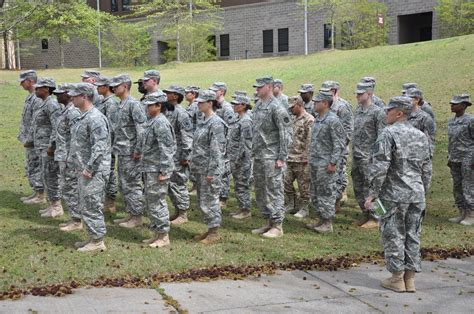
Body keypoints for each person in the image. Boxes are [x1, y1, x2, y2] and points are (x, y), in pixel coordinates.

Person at [365, 96, 431, 293]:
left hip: (393, 194)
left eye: (389, 110)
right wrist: (422, 190)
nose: (386, 113)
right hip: (417, 193)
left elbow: (380, 167)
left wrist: (372, 194)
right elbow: (427, 168)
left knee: (393, 234)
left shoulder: (388, 133)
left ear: (399, 113)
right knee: (413, 234)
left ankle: (396, 278)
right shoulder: (420, 136)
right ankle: (409, 279)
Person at [68, 83, 112, 252]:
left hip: (93, 171)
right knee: (86, 204)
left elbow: (100, 146)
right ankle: (92, 237)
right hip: (84, 169)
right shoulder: (84, 116)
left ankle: (98, 241)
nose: (72, 98)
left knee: (92, 205)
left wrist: (89, 168)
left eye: (75, 95)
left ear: (84, 97)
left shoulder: (95, 118)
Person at [251, 76, 291, 238]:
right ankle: (268, 221)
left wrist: (282, 157)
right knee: (261, 191)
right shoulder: (259, 106)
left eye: (259, 87)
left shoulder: (277, 107)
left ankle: (277, 225)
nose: (256, 90)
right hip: (259, 156)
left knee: (274, 190)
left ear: (269, 86)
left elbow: (286, 134)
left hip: (272, 157)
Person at [138, 92, 176, 248]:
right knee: (151, 201)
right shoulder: (153, 121)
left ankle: (164, 236)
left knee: (158, 202)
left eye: (150, 105)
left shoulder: (161, 122)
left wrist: (164, 172)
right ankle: (157, 234)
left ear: (159, 105)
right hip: (149, 168)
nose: (147, 108)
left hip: (157, 170)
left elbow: (167, 149)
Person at [189, 90, 228, 244]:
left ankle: (214, 232)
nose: (198, 104)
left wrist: (212, 172)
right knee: (203, 201)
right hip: (200, 168)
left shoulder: (216, 123)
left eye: (201, 102)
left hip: (209, 169)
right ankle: (210, 229)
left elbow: (217, 150)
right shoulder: (203, 121)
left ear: (210, 103)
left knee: (210, 200)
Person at [109, 74, 147, 228]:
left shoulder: (134, 105)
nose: (113, 88)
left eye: (116, 86)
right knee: (124, 184)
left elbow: (142, 130)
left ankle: (137, 217)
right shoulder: (121, 104)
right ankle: (130, 214)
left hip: (132, 153)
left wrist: (138, 150)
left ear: (125, 86)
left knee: (132, 185)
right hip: (122, 151)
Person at [308, 91, 345, 233]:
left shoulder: (333, 120)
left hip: (326, 163)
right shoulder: (318, 119)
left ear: (325, 103)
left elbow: (339, 144)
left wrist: (333, 162)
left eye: (317, 102)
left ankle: (327, 222)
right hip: (316, 162)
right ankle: (320, 219)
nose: (314, 104)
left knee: (326, 192)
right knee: (316, 192)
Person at [352, 82, 386, 228]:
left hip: (370, 158)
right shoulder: (358, 111)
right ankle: (365, 214)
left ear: (370, 94)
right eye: (357, 93)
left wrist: (376, 157)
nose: (358, 96)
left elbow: (382, 137)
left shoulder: (378, 113)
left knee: (372, 188)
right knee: (359, 187)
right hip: (357, 156)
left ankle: (377, 217)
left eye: (361, 93)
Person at [31, 77, 63, 217]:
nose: (36, 89)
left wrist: (52, 147)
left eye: (39, 88)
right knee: (46, 175)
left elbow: (57, 127)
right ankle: (52, 205)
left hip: (49, 149)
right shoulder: (44, 103)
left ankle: (57, 206)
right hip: (42, 146)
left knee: (52, 176)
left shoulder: (52, 105)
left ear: (47, 89)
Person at [52, 84, 82, 231]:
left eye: (60, 94)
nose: (57, 96)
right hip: (63, 156)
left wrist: (71, 157)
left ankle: (77, 221)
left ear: (69, 95)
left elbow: (77, 137)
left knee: (71, 189)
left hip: (70, 158)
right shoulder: (66, 110)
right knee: (67, 188)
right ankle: (74, 218)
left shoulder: (73, 112)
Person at [320, 81, 353, 211]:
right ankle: (327, 203)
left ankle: (336, 202)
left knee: (338, 176)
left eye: (326, 91)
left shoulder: (343, 107)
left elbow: (347, 132)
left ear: (334, 91)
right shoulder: (323, 105)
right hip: (323, 150)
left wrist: (336, 150)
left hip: (338, 151)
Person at [163, 85, 194, 225]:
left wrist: (185, 156)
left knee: (178, 184)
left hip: (178, 156)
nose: (166, 95)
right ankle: (177, 210)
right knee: (170, 185)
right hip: (169, 155)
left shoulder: (181, 113)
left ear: (176, 96)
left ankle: (183, 213)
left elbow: (187, 136)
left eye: (169, 93)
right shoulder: (167, 111)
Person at [284, 96, 313, 218]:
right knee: (285, 182)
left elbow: (310, 140)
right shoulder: (292, 119)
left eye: (292, 107)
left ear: (299, 105)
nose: (291, 110)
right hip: (290, 157)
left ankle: (304, 208)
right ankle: (292, 203)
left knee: (304, 186)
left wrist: (307, 157)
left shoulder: (309, 120)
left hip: (302, 159)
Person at [18, 70, 44, 205]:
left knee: (36, 165)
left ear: (30, 81)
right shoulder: (31, 96)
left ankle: (40, 194)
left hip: (35, 140)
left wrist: (30, 140)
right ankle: (37, 191)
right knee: (32, 166)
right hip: (29, 139)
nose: (21, 84)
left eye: (22, 81)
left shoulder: (38, 98)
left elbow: (37, 122)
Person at [447, 94, 473, 225]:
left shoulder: (471, 121)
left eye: (455, 104)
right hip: (455, 158)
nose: (452, 105)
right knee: (457, 186)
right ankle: (462, 212)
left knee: (468, 186)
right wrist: (449, 157)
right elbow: (451, 141)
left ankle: (471, 213)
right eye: (451, 103)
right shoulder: (451, 121)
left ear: (463, 105)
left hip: (468, 158)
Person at [94, 76, 119, 213]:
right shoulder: (103, 102)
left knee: (109, 173)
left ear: (106, 87)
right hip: (101, 144)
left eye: (99, 86)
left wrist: (107, 145)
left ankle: (110, 202)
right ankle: (105, 200)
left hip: (107, 145)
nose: (97, 88)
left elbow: (112, 127)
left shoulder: (111, 103)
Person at [210, 82, 235, 209]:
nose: (212, 92)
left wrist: (226, 145)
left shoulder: (227, 108)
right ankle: (215, 194)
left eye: (215, 90)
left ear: (221, 91)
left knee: (223, 171)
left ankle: (223, 198)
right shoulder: (215, 107)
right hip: (214, 144)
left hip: (223, 145)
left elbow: (231, 128)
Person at [228, 95, 253, 219]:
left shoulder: (246, 121)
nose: (234, 106)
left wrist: (238, 159)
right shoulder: (238, 119)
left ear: (244, 105)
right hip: (234, 158)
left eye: (237, 104)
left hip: (242, 160)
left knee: (242, 185)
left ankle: (246, 210)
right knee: (238, 185)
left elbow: (245, 144)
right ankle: (241, 207)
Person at [406, 88, 436, 159]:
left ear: (417, 99)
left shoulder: (425, 118)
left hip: (419, 156)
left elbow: (430, 140)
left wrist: (427, 158)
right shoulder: (403, 115)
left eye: (409, 98)